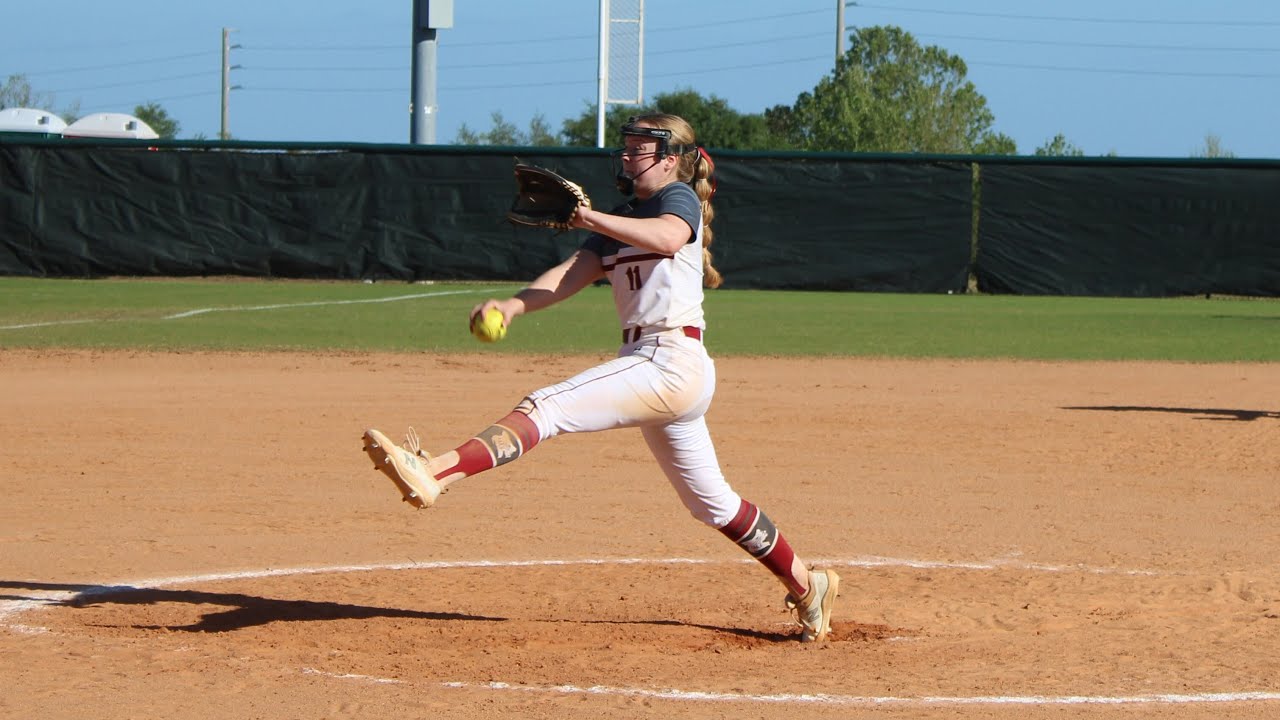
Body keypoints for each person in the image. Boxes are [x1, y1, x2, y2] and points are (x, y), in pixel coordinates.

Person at [361, 113, 840, 642]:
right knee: (713, 503)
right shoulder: (622, 216)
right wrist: (514, 305)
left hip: (668, 360)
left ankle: (436, 470)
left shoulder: (674, 201)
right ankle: (808, 585)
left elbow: (666, 237)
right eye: (628, 145)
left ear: (672, 158)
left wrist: (590, 217)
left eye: (642, 146)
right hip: (662, 368)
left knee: (547, 406)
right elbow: (572, 274)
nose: (629, 154)